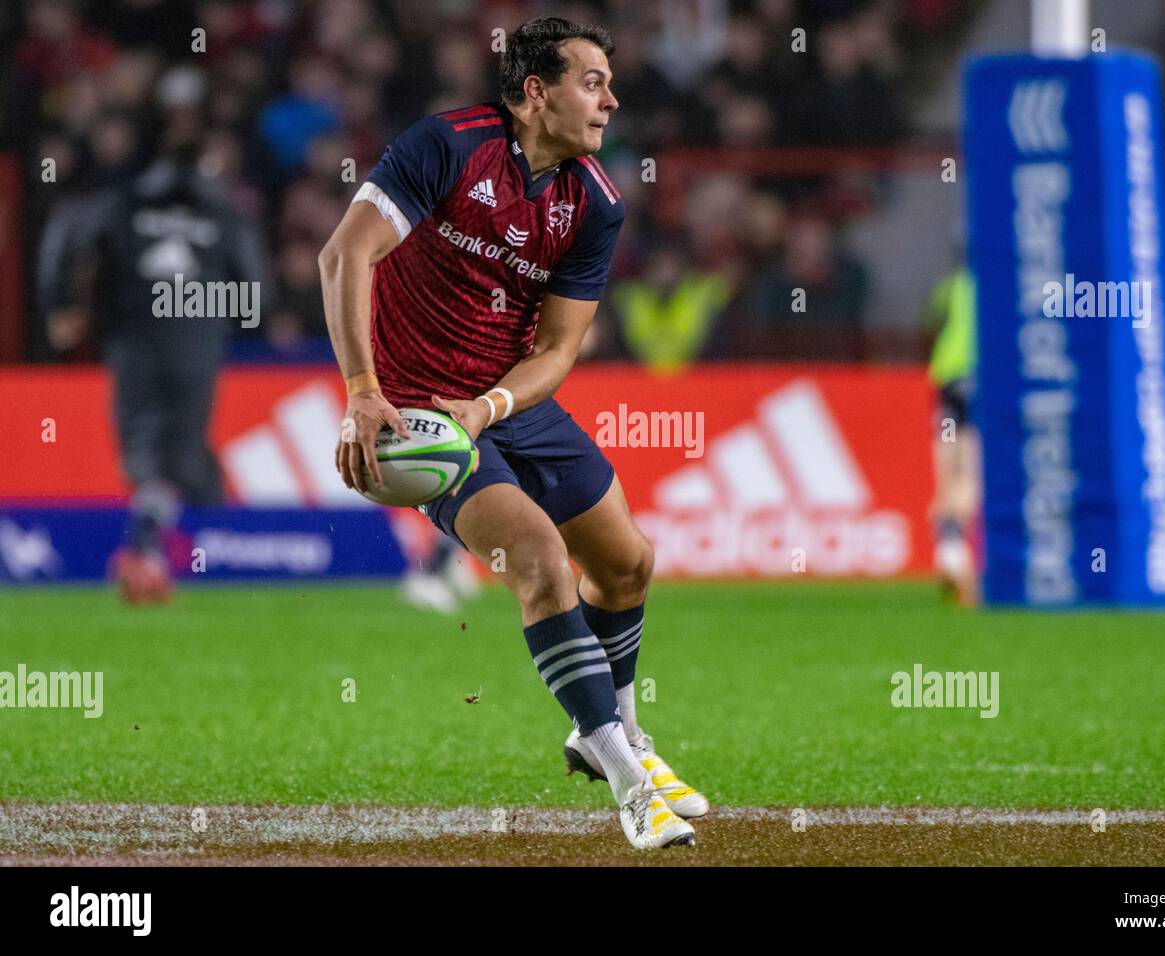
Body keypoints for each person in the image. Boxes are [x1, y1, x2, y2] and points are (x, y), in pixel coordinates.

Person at [318, 17, 706, 850]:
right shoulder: (446, 147)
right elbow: (344, 255)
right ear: (537, 92)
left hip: (504, 401)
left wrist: (491, 406)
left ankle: (611, 736)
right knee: (536, 558)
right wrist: (361, 392)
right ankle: (633, 788)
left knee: (628, 560)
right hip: (417, 413)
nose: (610, 99)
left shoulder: (595, 203)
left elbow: (560, 347)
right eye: (592, 81)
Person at [39, 128, 270, 603]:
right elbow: (257, 283)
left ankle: (148, 548)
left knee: (144, 448)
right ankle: (162, 551)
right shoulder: (224, 210)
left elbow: (66, 234)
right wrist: (243, 320)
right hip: (196, 339)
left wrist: (60, 305)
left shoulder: (122, 200)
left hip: (135, 336)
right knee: (182, 451)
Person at [923, 262, 980, 605]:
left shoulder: (950, 286)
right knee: (971, 477)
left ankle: (949, 556)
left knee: (947, 478)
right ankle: (956, 561)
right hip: (977, 380)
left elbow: (930, 321)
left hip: (946, 382)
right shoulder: (999, 284)